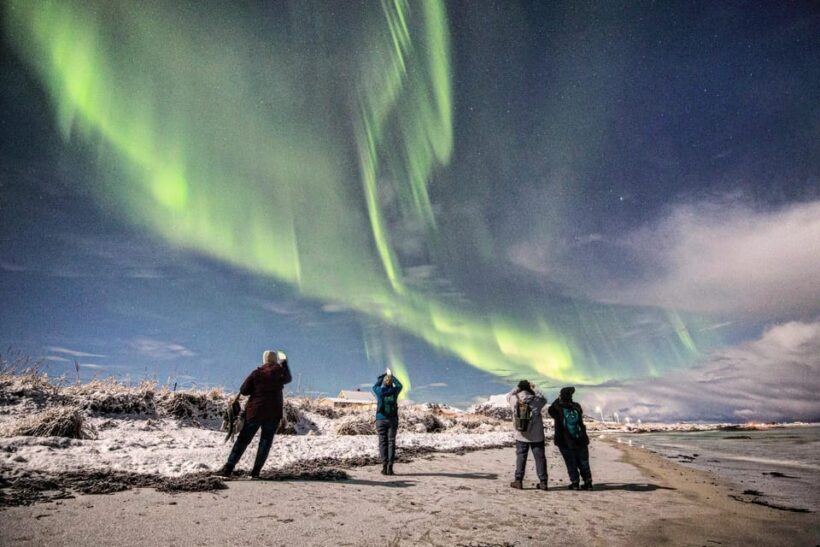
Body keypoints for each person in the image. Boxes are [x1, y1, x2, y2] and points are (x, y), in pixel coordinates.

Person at [216, 350, 292, 478]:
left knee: (243, 440)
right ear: (275, 360)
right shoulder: (280, 373)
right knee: (265, 442)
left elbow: (244, 390)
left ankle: (228, 468)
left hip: (255, 412)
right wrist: (284, 363)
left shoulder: (257, 373)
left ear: (264, 360)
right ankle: (255, 472)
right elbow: (289, 378)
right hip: (273, 413)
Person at [506, 380, 549, 490]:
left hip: (521, 435)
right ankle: (543, 482)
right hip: (537, 436)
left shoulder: (515, 399)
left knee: (521, 457)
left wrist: (517, 388)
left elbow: (509, 395)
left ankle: (518, 481)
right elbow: (545, 399)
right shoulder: (537, 400)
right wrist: (534, 388)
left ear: (520, 388)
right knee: (540, 458)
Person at [548, 386, 592, 490]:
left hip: (565, 441)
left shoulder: (557, 408)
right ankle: (588, 482)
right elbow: (580, 414)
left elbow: (550, 409)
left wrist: (558, 398)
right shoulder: (577, 406)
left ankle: (575, 483)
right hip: (581, 438)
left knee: (570, 462)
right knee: (583, 462)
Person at [372, 369, 403, 475]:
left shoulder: (379, 391)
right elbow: (399, 385)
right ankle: (390, 467)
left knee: (382, 442)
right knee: (391, 442)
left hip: (380, 419)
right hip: (392, 419)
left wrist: (382, 377)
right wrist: (392, 376)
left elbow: (374, 386)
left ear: (384, 382)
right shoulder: (395, 391)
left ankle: (384, 467)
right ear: (391, 383)